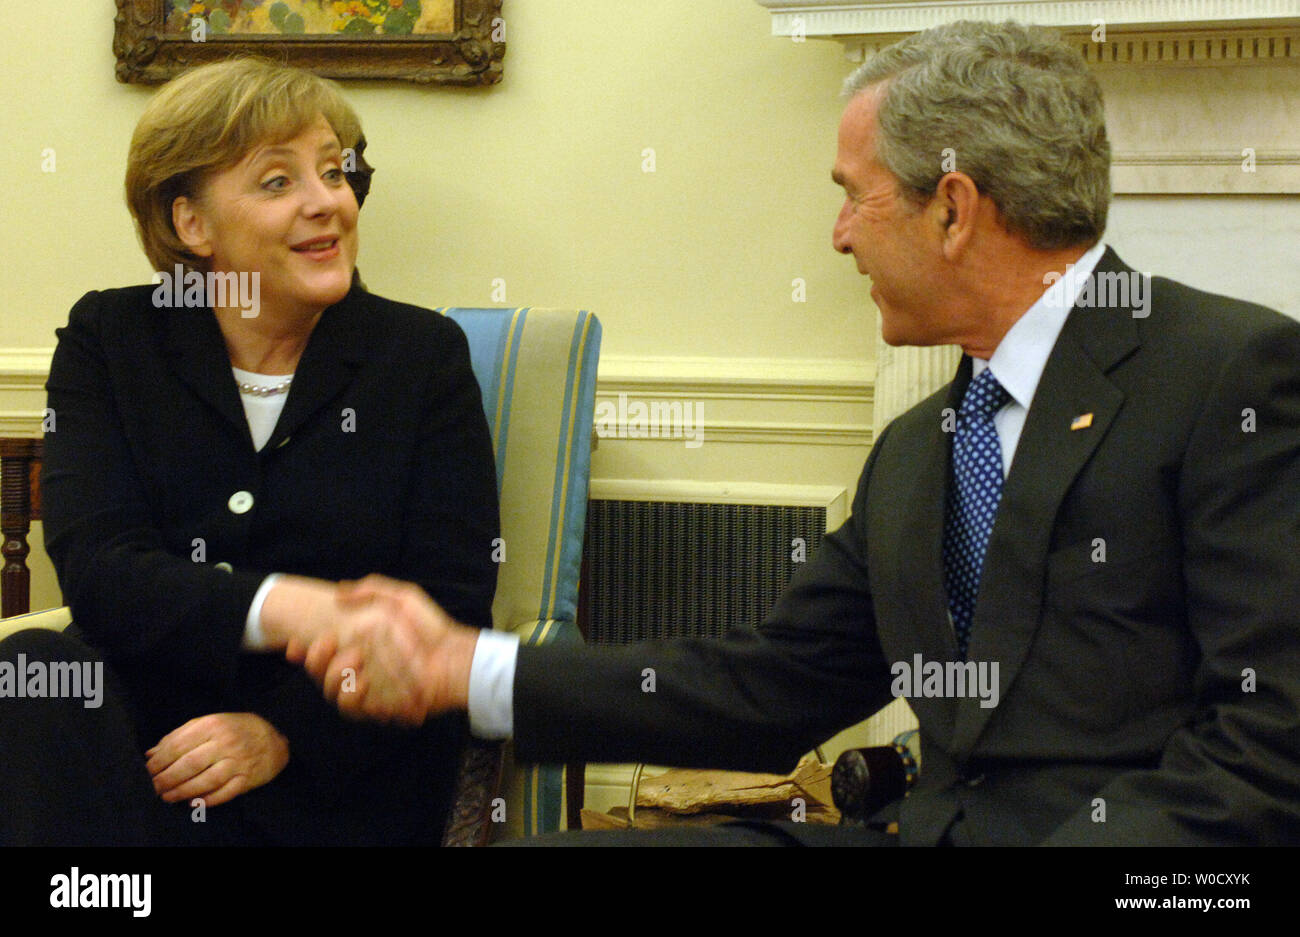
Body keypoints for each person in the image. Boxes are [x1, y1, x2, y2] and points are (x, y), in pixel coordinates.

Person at [300, 20, 1300, 845]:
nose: (838, 235)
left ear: (950, 208)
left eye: (849, 196)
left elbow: (1266, 747)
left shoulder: (1230, 376)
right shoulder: (920, 445)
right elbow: (762, 685)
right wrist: (464, 667)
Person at [0, 57, 500, 845]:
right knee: (32, 669)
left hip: (334, 762)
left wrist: (281, 732)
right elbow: (100, 569)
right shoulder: (111, 339)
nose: (326, 202)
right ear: (190, 223)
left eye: (334, 173)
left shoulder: (420, 356)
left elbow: (450, 603)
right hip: (140, 747)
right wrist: (283, 605)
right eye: (277, 182)